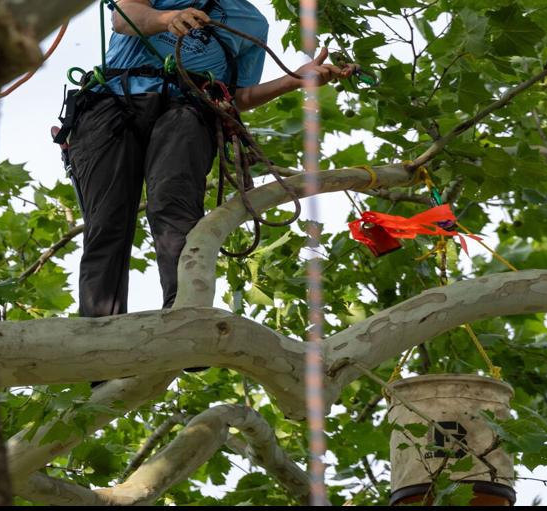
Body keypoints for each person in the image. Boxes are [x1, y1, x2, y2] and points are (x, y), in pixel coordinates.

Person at [61, 0, 355, 324]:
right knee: (107, 222)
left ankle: (183, 315)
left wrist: (292, 81)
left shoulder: (251, 23)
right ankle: (100, 337)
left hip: (185, 111)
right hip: (111, 105)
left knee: (175, 207)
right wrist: (168, 18)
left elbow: (237, 97)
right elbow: (124, 18)